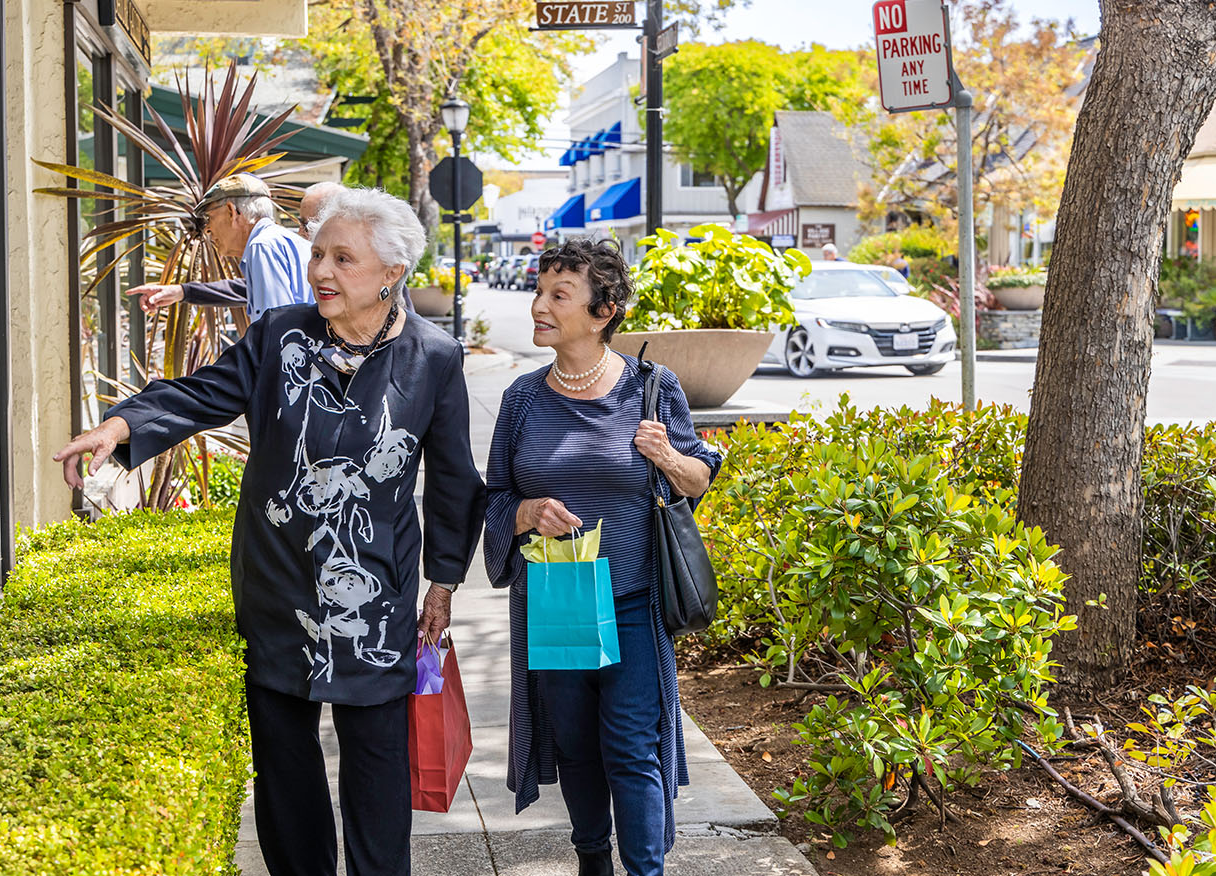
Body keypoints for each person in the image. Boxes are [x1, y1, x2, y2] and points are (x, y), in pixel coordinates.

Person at [53, 187, 486, 876]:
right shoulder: (280, 333)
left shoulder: (433, 357)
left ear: (390, 274)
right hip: (277, 585)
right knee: (284, 768)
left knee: (376, 770)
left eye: (343, 258)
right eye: (318, 253)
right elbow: (204, 391)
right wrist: (123, 425)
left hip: (371, 598)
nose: (321, 270)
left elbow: (456, 477)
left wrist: (445, 579)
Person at [482, 238, 723, 876]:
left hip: (635, 605)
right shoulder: (522, 399)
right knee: (577, 746)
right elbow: (494, 498)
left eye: (558, 295)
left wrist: (667, 457)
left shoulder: (651, 388)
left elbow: (700, 476)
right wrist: (525, 514)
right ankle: (593, 861)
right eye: (539, 291)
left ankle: (645, 870)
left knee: (632, 748)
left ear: (603, 311)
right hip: (554, 602)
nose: (539, 305)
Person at [124, 175, 331, 320]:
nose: (207, 230)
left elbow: (276, 329)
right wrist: (181, 291)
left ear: (233, 212)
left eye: (211, 218)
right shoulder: (277, 241)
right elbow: (244, 290)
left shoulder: (262, 246)